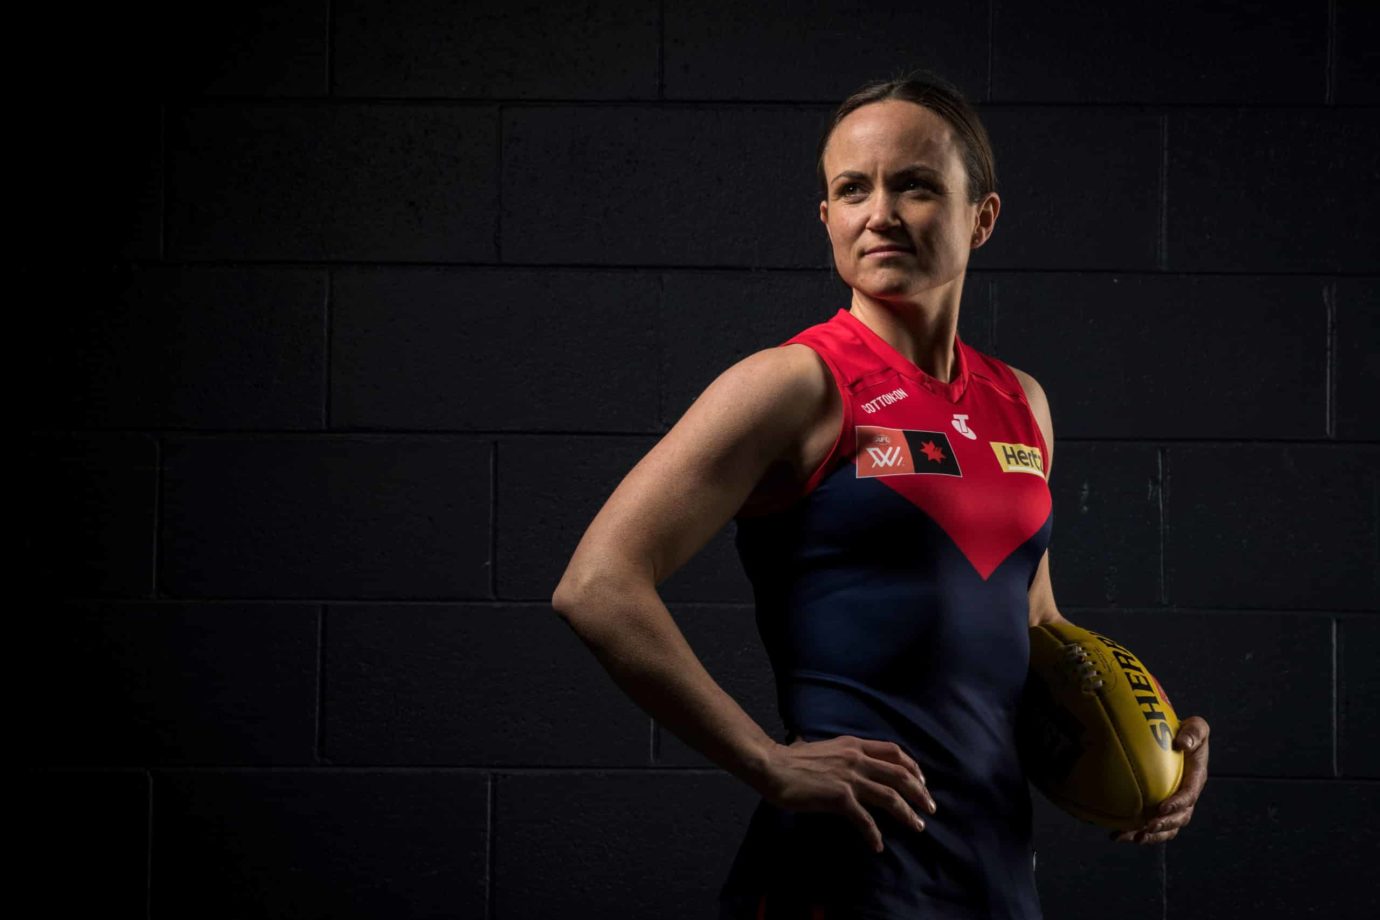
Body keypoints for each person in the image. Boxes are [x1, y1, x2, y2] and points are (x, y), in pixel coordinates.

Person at [550, 68, 1210, 920]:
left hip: (997, 874)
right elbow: (597, 585)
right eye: (852, 189)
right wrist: (763, 758)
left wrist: (1151, 744)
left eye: (917, 186)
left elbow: (1038, 626)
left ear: (984, 216)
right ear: (826, 218)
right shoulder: (795, 385)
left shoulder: (1024, 403)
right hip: (847, 872)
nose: (880, 214)